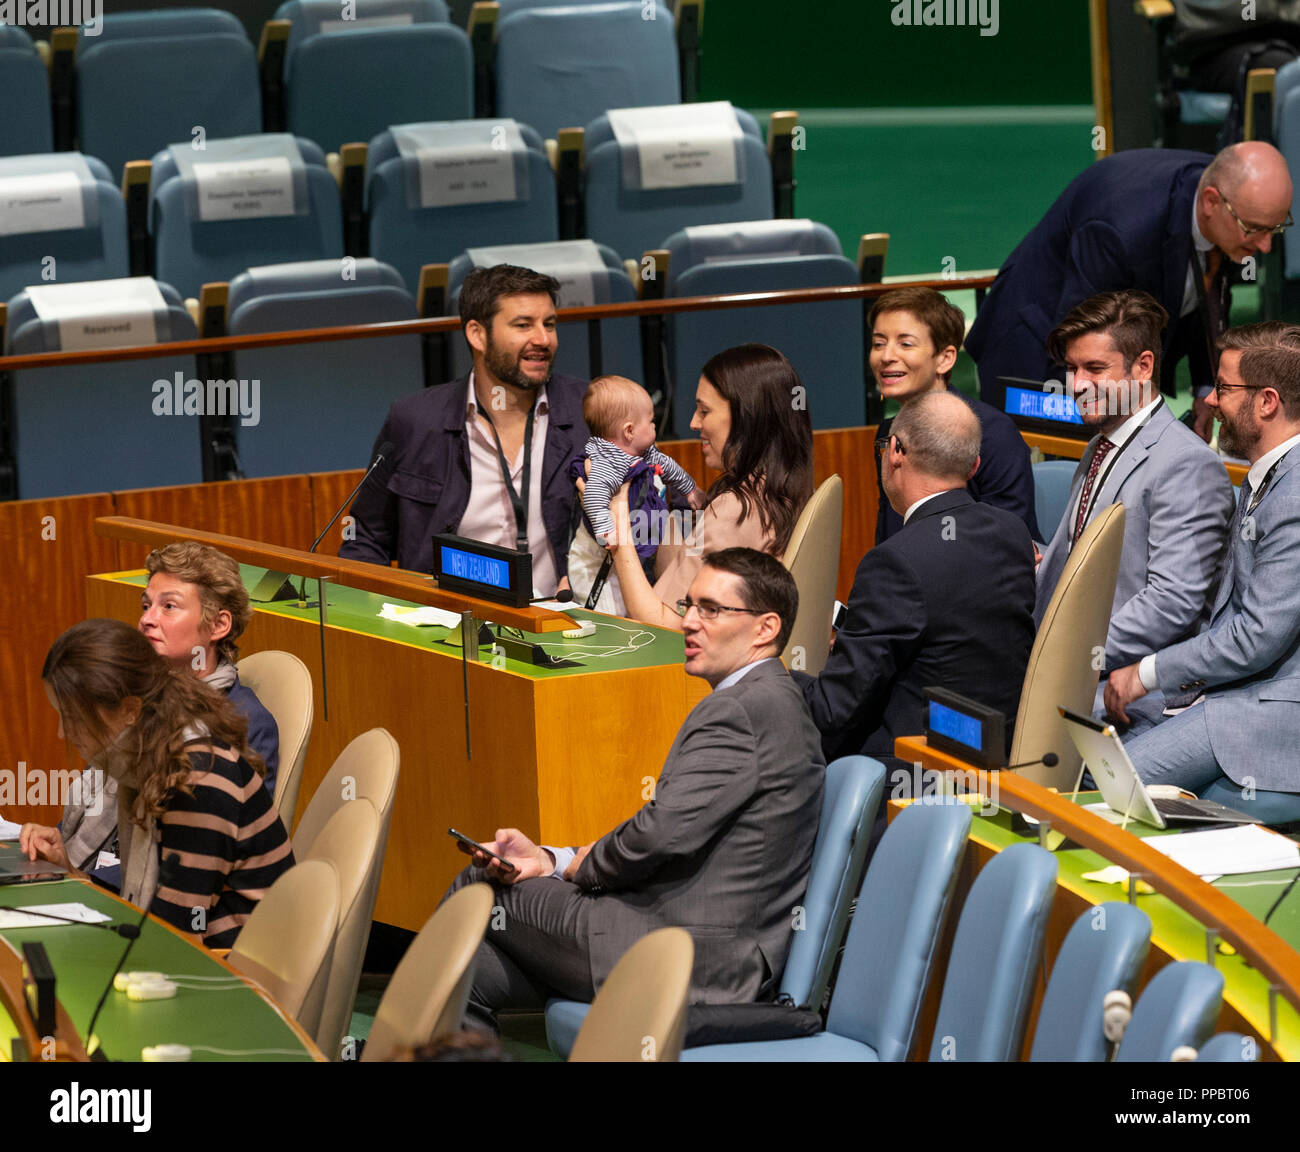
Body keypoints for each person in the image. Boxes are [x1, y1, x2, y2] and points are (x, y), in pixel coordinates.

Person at [443, 548, 824, 1026]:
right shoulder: (772, 699)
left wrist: (571, 866)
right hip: (702, 946)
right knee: (473, 970)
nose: (689, 623)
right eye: (689, 605)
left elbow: (659, 835)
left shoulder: (740, 711)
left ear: (766, 628)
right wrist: (550, 859)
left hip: (686, 956)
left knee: (478, 886)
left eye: (711, 609)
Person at [965, 142, 1293, 441]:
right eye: (1255, 229)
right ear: (1210, 202)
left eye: (1275, 229)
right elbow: (1079, 339)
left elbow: (1207, 289)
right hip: (1034, 344)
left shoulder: (1234, 200)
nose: (1265, 245)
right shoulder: (1120, 231)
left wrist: (1206, 386)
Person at [1105, 323, 1300, 798]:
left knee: (1106, 780)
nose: (1210, 400)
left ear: (1267, 401)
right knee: (1087, 743)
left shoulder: (1294, 495)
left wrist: (1146, 672)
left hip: (1269, 709)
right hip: (1226, 689)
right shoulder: (1269, 476)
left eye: (1225, 388)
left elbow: (1256, 638)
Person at [795, 391, 1036, 766]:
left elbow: (832, 709)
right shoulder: (1013, 533)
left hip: (905, 769)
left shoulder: (894, 562)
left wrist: (770, 676)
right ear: (974, 465)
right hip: (993, 761)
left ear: (895, 451)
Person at [21, 619, 294, 949]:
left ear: (130, 710)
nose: (62, 733)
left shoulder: (194, 779)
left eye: (74, 718)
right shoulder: (144, 754)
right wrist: (70, 870)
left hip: (231, 965)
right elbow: (147, 912)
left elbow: (177, 940)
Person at [340, 264, 589, 595]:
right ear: (477, 334)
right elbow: (365, 537)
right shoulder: (415, 421)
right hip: (447, 620)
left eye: (550, 324)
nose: (543, 339)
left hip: (565, 619)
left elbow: (644, 523)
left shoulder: (591, 413)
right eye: (523, 325)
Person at [1035, 291, 1234, 691]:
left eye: (1095, 368)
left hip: (1124, 682)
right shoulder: (1100, 444)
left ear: (1143, 367)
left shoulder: (1186, 463)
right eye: (1071, 369)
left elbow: (1171, 603)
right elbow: (1084, 556)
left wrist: (1066, 655)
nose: (1077, 385)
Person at [59, 541, 281, 875]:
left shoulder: (243, 723)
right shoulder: (134, 699)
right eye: (146, 605)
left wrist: (82, 877)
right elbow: (88, 814)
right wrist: (53, 847)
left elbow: (201, 859)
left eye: (168, 607)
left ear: (218, 625)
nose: (146, 619)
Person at [604, 344, 814, 631]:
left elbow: (661, 627)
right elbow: (683, 577)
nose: (693, 422)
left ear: (747, 418)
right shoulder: (780, 490)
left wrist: (616, 515)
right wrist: (659, 503)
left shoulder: (737, 509)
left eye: (704, 411)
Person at [869, 286, 1040, 543]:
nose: (886, 356)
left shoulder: (993, 433)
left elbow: (1009, 541)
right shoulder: (888, 433)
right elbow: (889, 533)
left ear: (945, 359)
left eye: (905, 344)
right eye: (878, 344)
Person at [566, 374, 704, 615]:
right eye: (651, 421)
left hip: (628, 555)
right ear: (629, 430)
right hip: (595, 563)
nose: (654, 426)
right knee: (612, 617)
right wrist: (606, 529)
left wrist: (690, 489)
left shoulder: (642, 452)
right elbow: (593, 496)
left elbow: (668, 467)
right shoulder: (605, 462)